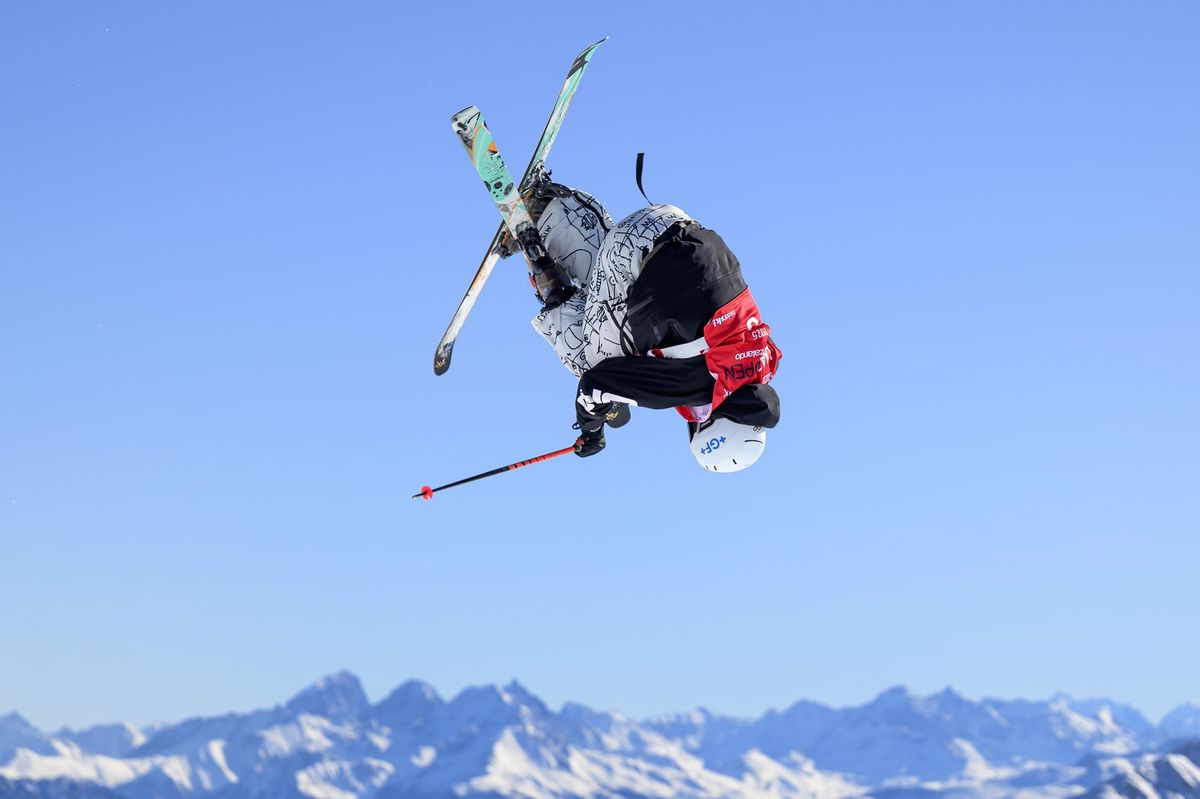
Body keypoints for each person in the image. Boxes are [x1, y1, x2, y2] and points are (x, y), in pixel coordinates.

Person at [520, 179, 782, 473]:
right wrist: (592, 427)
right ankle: (539, 251)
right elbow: (592, 386)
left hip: (669, 221)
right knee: (590, 361)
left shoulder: (757, 362)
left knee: (618, 320)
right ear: (708, 427)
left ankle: (555, 210)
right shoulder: (699, 386)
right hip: (630, 250)